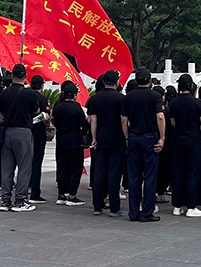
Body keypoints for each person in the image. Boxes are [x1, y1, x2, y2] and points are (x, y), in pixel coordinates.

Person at [121, 67, 165, 222]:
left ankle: (133, 212)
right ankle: (147, 211)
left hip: (133, 136)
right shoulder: (155, 96)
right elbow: (160, 117)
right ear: (150, 80)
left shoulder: (129, 97)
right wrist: (162, 138)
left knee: (133, 175)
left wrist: (127, 137)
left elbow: (124, 120)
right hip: (150, 137)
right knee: (150, 175)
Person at [0, 64, 40, 212]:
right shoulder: (29, 94)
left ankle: (5, 200)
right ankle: (20, 200)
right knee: (24, 167)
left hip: (8, 132)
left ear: (12, 76)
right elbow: (36, 110)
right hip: (23, 132)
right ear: (25, 77)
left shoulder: (5, 93)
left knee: (7, 168)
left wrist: (7, 120)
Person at [88, 70, 126, 216]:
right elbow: (124, 120)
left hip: (101, 139)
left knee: (99, 172)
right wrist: (126, 137)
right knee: (114, 174)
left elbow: (93, 121)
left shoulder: (94, 99)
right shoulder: (121, 99)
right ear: (117, 82)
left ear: (104, 82)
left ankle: (97, 205)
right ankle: (114, 206)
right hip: (117, 140)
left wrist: (94, 138)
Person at [169, 74, 201, 217]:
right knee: (193, 173)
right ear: (191, 86)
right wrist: (199, 133)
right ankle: (191, 206)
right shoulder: (197, 103)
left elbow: (173, 122)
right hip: (194, 141)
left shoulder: (173, 103)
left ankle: (177, 206)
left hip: (178, 140)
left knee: (178, 173)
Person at [51, 81, 89, 206]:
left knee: (62, 167)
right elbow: (84, 124)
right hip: (74, 139)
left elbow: (55, 122)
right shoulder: (76, 107)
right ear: (74, 95)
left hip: (61, 139)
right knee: (75, 167)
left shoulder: (58, 106)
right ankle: (72, 195)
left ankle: (61, 194)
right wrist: (82, 132)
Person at [29, 75, 51, 204]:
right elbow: (46, 118)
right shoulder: (42, 99)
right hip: (38, 134)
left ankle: (25, 187)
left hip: (25, 133)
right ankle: (35, 192)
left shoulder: (24, 96)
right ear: (42, 86)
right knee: (36, 163)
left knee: (25, 163)